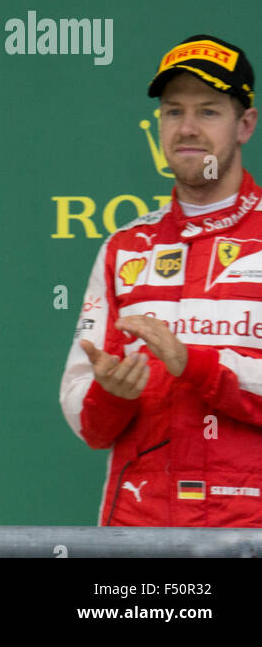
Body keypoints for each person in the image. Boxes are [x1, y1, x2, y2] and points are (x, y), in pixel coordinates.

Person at [61, 34, 262, 526]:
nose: (188, 128)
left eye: (209, 111)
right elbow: (87, 419)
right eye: (174, 112)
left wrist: (195, 366)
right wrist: (112, 393)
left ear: (245, 124)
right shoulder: (124, 247)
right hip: (138, 528)